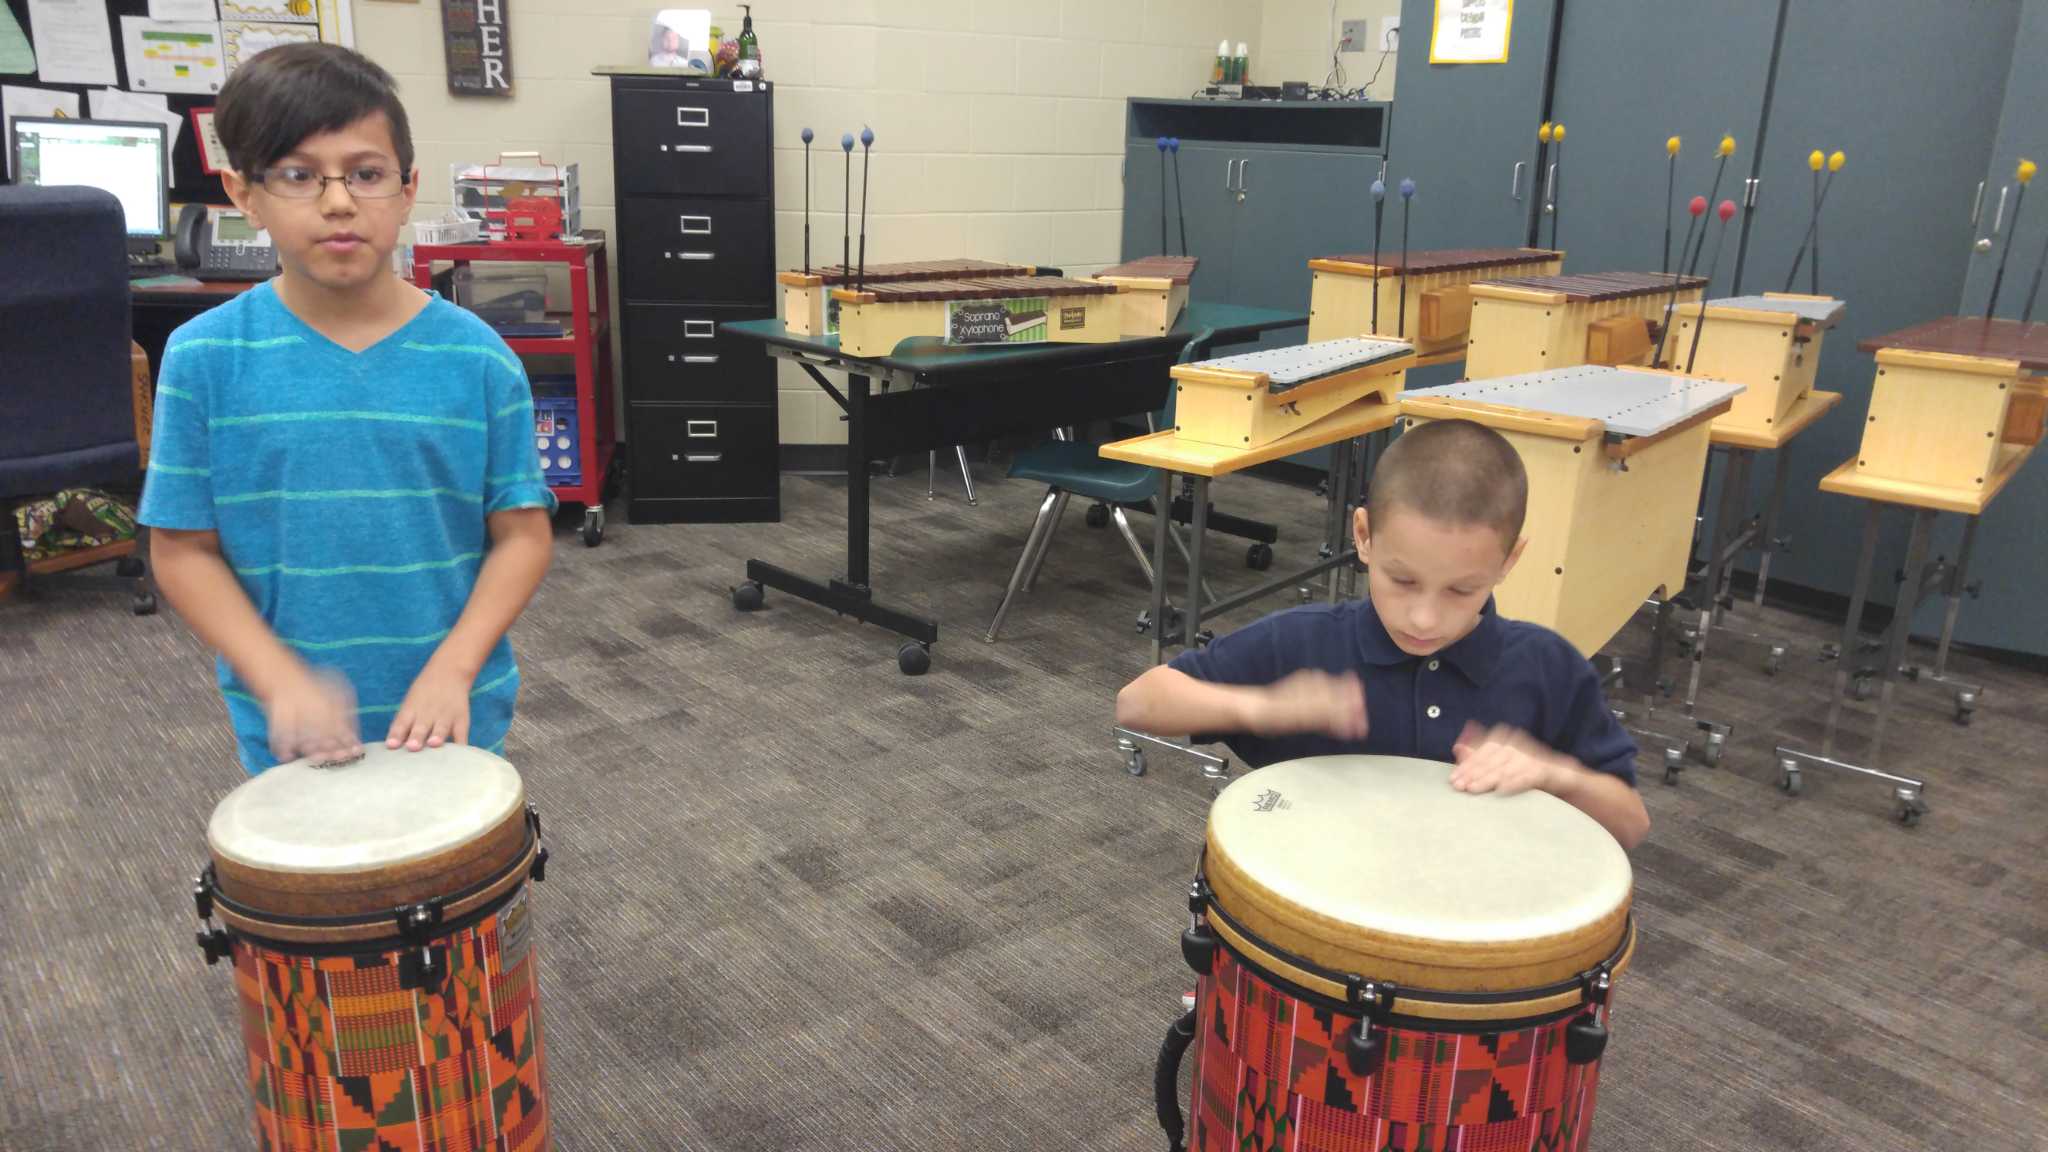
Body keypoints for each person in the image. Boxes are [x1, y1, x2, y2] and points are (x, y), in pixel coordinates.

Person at [139, 43, 554, 773]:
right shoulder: (202, 359)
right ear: (244, 194)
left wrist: (455, 668)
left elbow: (521, 537)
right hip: (292, 730)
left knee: (458, 881)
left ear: (406, 187)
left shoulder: (479, 358)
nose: (338, 202)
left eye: (366, 174)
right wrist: (278, 680)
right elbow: (182, 549)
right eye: (300, 175)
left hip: (451, 712)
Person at [1115, 419, 1649, 849]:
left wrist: (1557, 775)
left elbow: (1630, 824)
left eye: (1460, 591)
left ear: (1510, 560)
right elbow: (1137, 704)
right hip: (1318, 912)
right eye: (1403, 579)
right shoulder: (1306, 641)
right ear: (1364, 536)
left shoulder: (1548, 667)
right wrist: (1262, 708)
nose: (1424, 618)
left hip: (1472, 939)